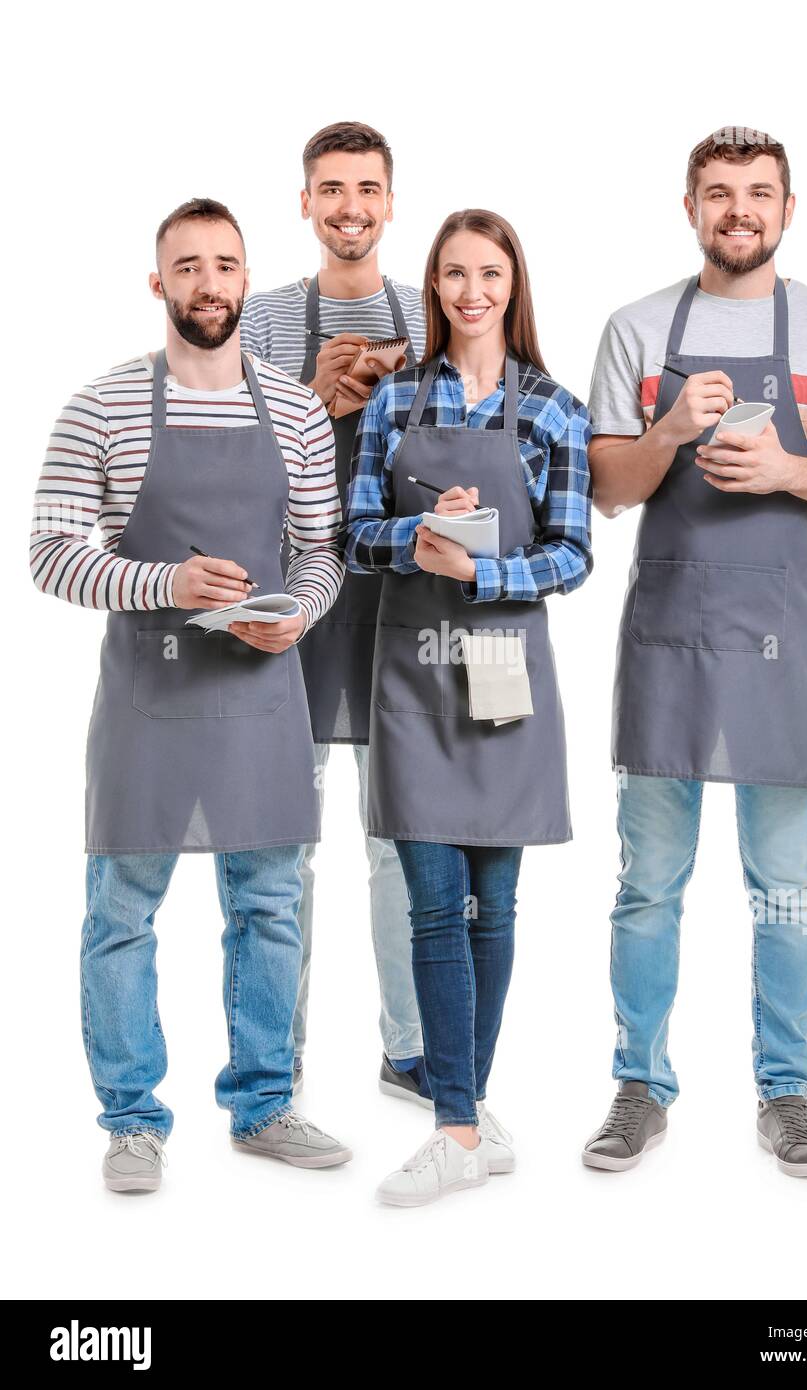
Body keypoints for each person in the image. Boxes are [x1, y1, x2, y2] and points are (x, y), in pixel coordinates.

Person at [583, 129, 807, 1177]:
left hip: (781, 644)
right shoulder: (635, 329)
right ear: (690, 205)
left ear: (787, 208)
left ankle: (787, 1091)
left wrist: (786, 471)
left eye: (758, 195)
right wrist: (671, 428)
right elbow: (608, 489)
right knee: (648, 885)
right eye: (719, 194)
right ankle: (639, 1084)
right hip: (669, 639)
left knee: (787, 884)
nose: (739, 211)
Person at [31, 198, 353, 1192]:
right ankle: (132, 1121)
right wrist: (164, 583)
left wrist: (296, 614)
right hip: (146, 704)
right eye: (187, 267)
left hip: (262, 695)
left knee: (269, 907)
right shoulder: (102, 405)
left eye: (224, 266)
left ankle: (264, 1105)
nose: (208, 283)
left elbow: (320, 553)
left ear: (245, 282)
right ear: (158, 282)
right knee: (122, 913)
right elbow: (48, 555)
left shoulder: (296, 412)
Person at [347, 209, 593, 1206]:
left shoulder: (552, 410)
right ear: (434, 284)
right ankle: (458, 1123)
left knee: (497, 910)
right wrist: (415, 532)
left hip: (499, 669)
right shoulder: (393, 402)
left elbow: (574, 555)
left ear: (513, 283)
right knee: (435, 905)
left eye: (489, 272)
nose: (471, 290)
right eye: (453, 272)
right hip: (411, 673)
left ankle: (464, 1114)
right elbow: (355, 533)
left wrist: (485, 566)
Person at [241, 122, 430, 1106]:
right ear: (305, 203)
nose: (349, 205)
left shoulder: (433, 319)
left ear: (391, 202)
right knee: (284, 841)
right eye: (331, 189)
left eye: (366, 187)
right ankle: (277, 1055)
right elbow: (221, 476)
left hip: (403, 610)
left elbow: (471, 467)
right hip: (292, 610)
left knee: (401, 837)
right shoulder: (266, 323)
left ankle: (409, 1051)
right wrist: (308, 401)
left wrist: (411, 405)